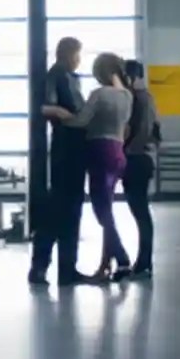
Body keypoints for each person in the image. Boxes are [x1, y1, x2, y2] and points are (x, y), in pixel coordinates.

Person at [46, 53, 133, 282]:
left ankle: (122, 258)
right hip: (117, 152)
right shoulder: (127, 96)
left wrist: (57, 113)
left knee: (102, 212)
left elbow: (80, 121)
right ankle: (106, 263)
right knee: (107, 211)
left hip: (99, 152)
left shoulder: (99, 94)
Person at [28, 37, 93, 287]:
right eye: (77, 54)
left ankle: (64, 268)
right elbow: (48, 107)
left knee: (68, 209)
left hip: (71, 147)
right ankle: (48, 267)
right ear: (68, 54)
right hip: (67, 148)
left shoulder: (67, 76)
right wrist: (70, 116)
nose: (79, 59)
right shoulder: (58, 75)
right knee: (61, 208)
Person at [122, 59, 159, 278]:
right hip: (140, 158)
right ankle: (143, 261)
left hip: (136, 159)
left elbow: (143, 129)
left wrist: (127, 151)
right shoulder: (145, 97)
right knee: (140, 212)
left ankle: (144, 261)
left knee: (140, 212)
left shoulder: (139, 98)